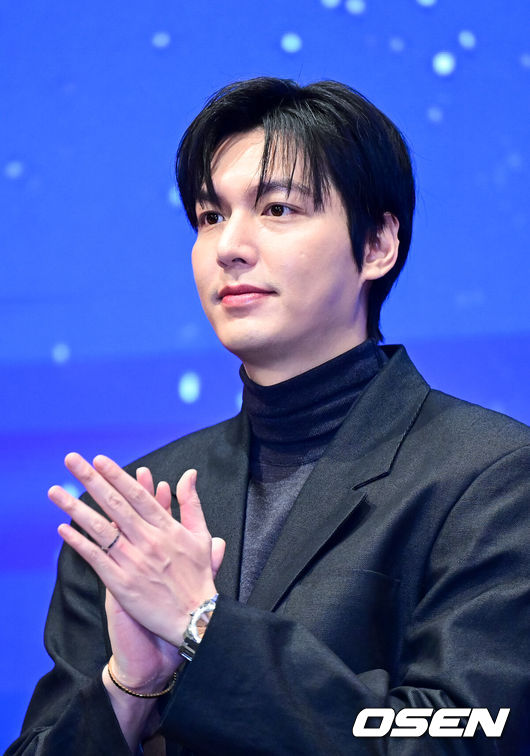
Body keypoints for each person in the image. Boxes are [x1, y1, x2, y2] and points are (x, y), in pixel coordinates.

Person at [7, 77, 529, 755]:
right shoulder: (133, 513)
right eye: (209, 216)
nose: (229, 246)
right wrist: (132, 690)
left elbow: (465, 736)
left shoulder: (493, 478)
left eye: (278, 208)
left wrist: (201, 628)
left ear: (377, 244)